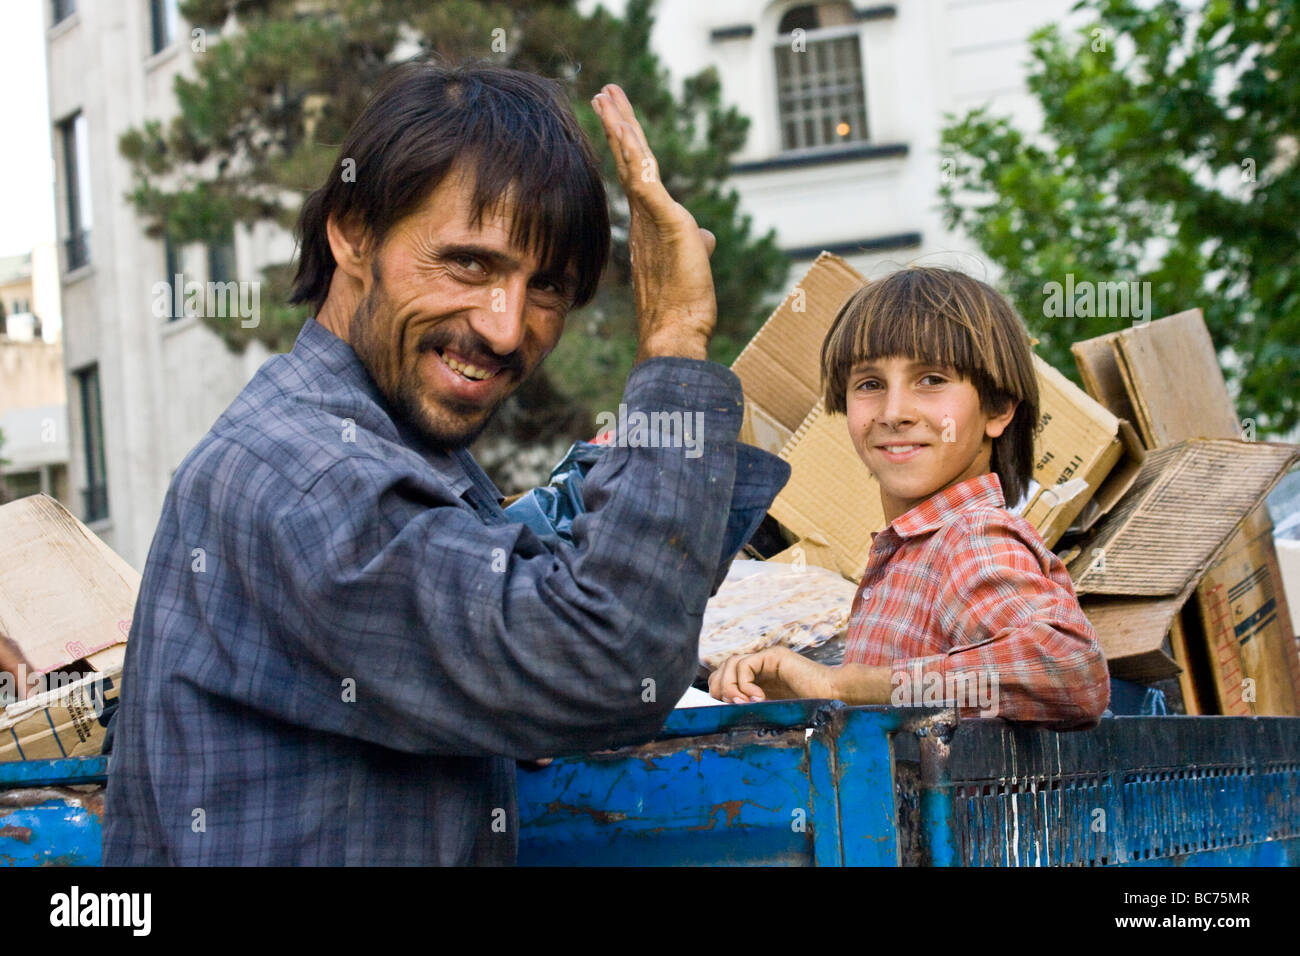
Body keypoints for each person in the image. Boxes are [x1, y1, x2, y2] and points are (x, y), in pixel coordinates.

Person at [103, 63, 788, 865]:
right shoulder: (305, 475)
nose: (504, 329)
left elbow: (584, 623)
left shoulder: (402, 457)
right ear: (354, 234)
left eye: (547, 289)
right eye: (469, 264)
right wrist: (672, 336)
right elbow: (604, 658)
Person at [708, 268, 1110, 729]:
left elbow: (1070, 673)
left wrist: (840, 687)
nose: (894, 412)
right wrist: (804, 690)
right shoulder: (907, 553)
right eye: (870, 384)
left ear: (998, 408)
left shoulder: (970, 539)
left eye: (932, 379)